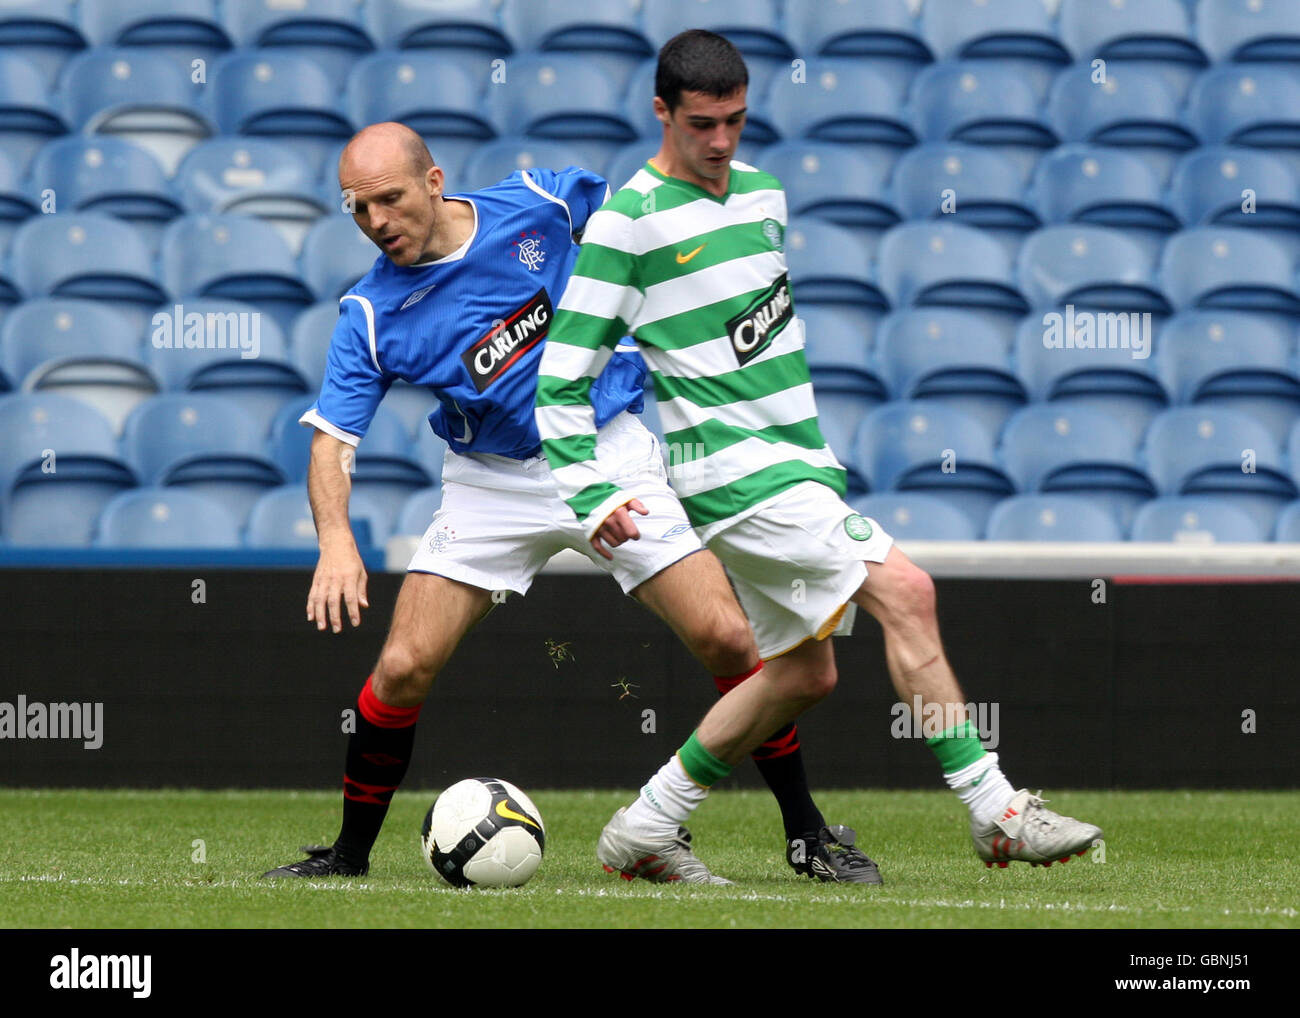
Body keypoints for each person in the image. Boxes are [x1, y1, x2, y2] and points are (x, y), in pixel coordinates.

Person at [535, 30, 1103, 879]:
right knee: (907, 592)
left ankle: (646, 825)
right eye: (702, 124)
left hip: (797, 462)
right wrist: (588, 495)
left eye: (735, 120)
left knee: (802, 675)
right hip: (728, 470)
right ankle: (998, 811)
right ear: (662, 112)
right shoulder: (627, 224)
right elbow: (560, 379)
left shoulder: (764, 196)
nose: (722, 142)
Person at [261, 121, 881, 884]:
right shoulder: (369, 313)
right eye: (357, 209)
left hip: (603, 451)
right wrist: (336, 543)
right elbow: (331, 444)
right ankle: (348, 857)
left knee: (727, 639)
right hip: (491, 483)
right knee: (401, 667)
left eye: (387, 199)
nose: (376, 222)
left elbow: (641, 227)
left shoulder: (541, 200)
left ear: (433, 181)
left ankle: (806, 835)